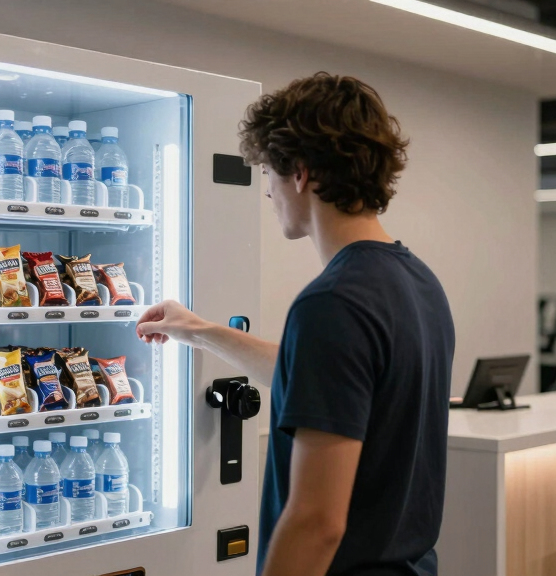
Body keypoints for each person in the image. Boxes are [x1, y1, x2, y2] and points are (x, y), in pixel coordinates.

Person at [136, 73, 455, 576]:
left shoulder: (332, 303)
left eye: (269, 173)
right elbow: (319, 377)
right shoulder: (417, 281)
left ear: (301, 174)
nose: (268, 192)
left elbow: (316, 521)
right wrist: (198, 330)